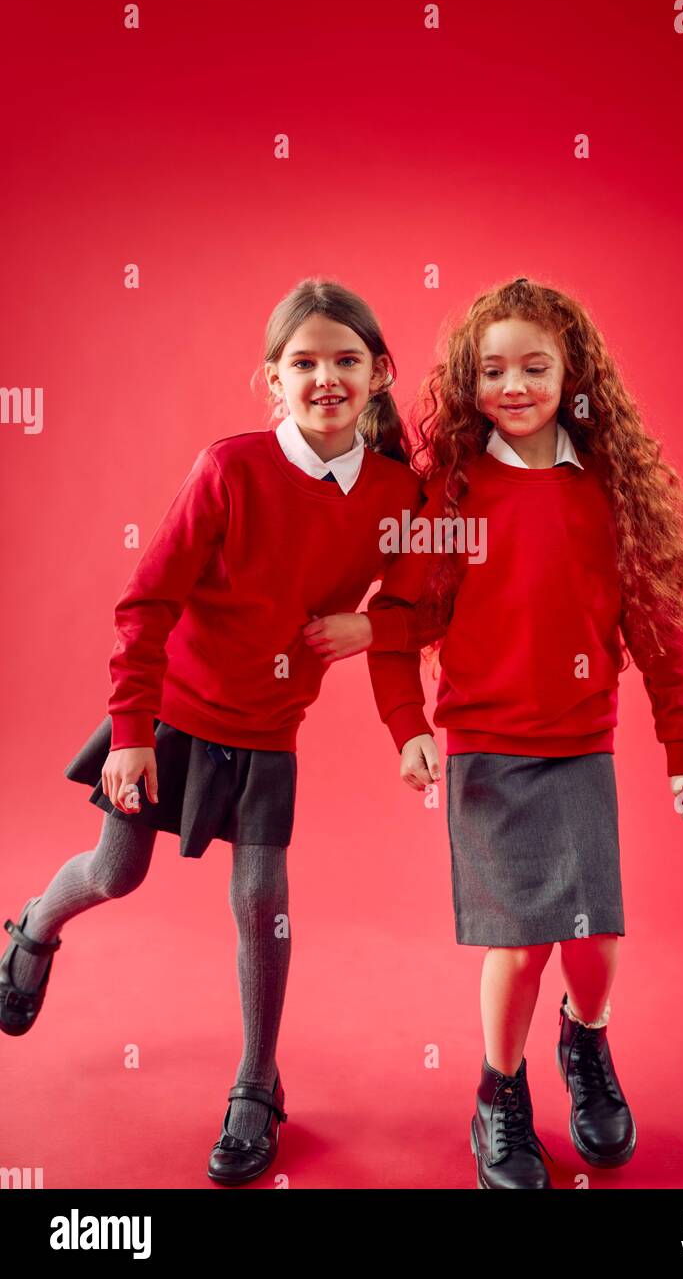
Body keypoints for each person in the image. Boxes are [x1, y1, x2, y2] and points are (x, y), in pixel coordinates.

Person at [0, 277, 423, 1187]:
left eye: (346, 360)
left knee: (260, 902)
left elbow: (424, 612)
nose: (326, 378)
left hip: (269, 729)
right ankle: (32, 930)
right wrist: (127, 734)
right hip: (171, 716)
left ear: (381, 372)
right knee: (115, 871)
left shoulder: (399, 494)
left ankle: (255, 1085)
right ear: (271, 380)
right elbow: (144, 603)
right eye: (303, 363)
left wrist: (373, 628)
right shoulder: (229, 469)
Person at [323, 275, 683, 1189]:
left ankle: (585, 1046)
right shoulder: (451, 497)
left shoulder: (607, 494)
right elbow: (397, 623)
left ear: (571, 373)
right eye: (492, 369)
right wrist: (405, 729)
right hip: (487, 755)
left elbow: (657, 632)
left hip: (581, 747)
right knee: (520, 945)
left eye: (534, 366)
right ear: (470, 383)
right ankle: (498, 1095)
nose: (513, 385)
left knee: (595, 941)